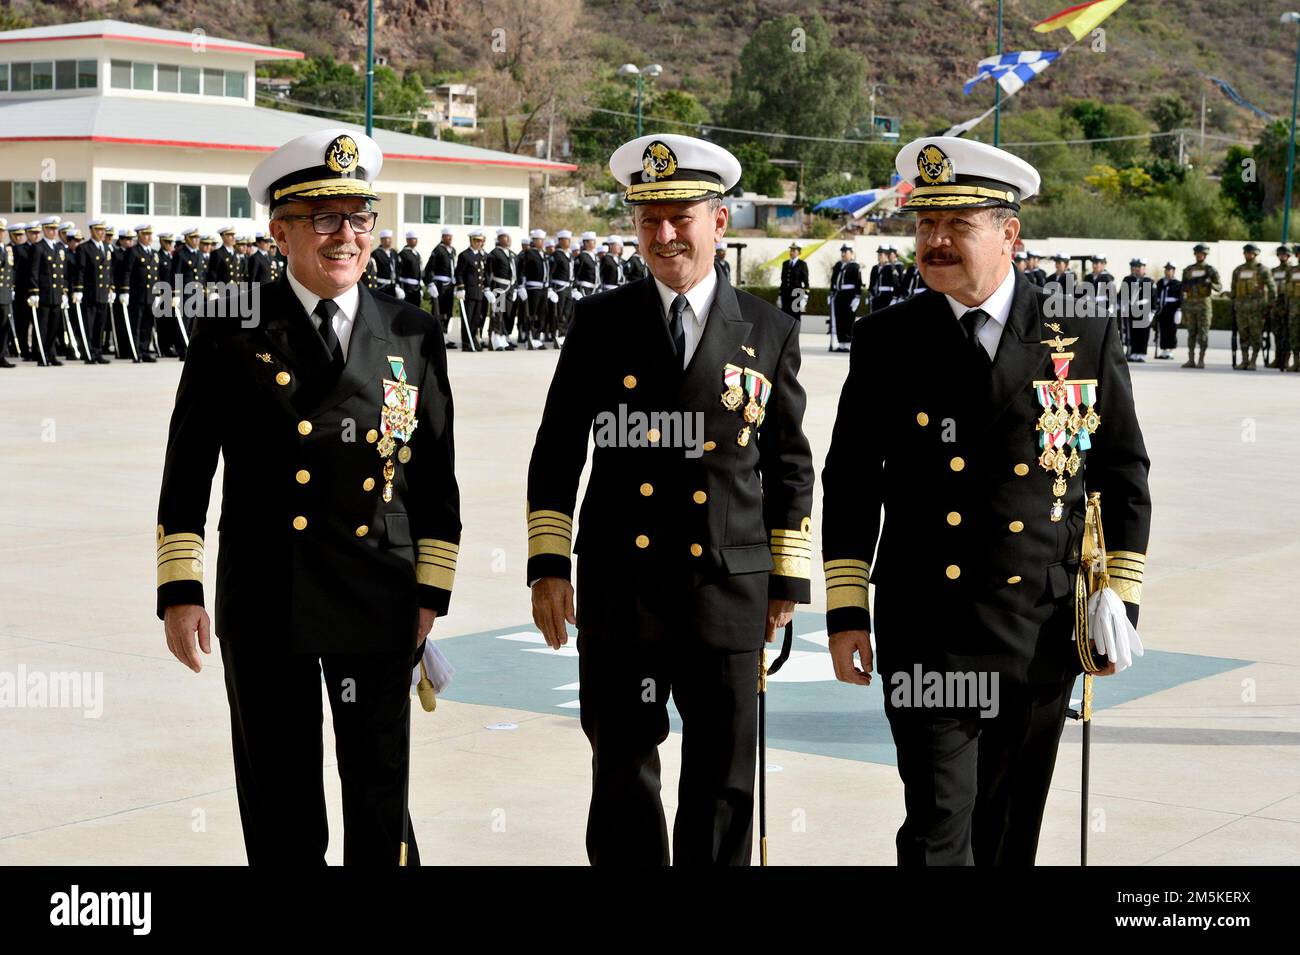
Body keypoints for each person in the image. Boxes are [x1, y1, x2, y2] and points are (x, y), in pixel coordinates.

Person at [821, 136, 1151, 866]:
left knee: (1009, 836)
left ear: (1009, 234)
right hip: (926, 628)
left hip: (1038, 628)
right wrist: (846, 608)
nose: (934, 242)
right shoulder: (887, 340)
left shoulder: (1081, 334)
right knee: (938, 830)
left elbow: (1122, 472)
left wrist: (1118, 600)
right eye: (924, 225)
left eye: (956, 226)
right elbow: (849, 478)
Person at [156, 128, 461, 866]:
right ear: (280, 229)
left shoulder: (411, 332)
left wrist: (431, 592)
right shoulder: (231, 329)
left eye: (360, 218)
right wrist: (181, 589)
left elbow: (435, 476)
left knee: (378, 794)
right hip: (267, 596)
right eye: (324, 219)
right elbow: (188, 468)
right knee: (281, 800)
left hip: (378, 590)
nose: (346, 235)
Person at [527, 133, 814, 865]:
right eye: (647, 218)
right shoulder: (600, 323)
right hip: (625, 587)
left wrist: (786, 577)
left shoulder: (769, 329)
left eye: (679, 216)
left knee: (722, 776)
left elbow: (788, 464)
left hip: (728, 586)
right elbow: (559, 449)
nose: (662, 234)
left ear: (718, 222)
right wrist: (548, 563)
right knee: (621, 768)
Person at [27, 216, 68, 366]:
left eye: (55, 229)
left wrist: (64, 291)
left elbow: (63, 272)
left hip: (56, 294)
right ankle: (40, 355)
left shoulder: (59, 248)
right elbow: (34, 271)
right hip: (43, 295)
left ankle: (51, 354)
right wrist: (34, 291)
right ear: (44, 229)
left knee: (54, 327)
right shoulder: (38, 248)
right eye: (50, 229)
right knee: (42, 326)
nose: (53, 231)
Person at [1228, 244, 1273, 371]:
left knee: (1256, 336)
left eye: (1251, 253)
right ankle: (1245, 360)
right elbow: (1233, 290)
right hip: (1241, 310)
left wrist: (1269, 305)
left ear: (1256, 254)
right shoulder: (1238, 270)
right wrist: (1233, 302)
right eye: (1247, 252)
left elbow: (1272, 288)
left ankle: (1253, 360)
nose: (1249, 255)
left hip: (1257, 310)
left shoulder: (1263, 270)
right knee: (1243, 335)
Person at [1180, 244, 1219, 368]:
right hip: (1190, 305)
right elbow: (1183, 288)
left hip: (1204, 306)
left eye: (1201, 253)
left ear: (1205, 255)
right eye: (1197, 253)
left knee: (1203, 334)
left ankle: (1201, 359)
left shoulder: (1210, 270)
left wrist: (1210, 283)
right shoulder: (1188, 270)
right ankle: (1191, 359)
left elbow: (1219, 287)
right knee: (1191, 333)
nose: (1199, 255)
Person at [454, 227, 490, 351]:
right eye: (476, 241)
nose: (479, 243)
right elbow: (459, 273)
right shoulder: (465, 255)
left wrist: (487, 289)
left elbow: (484, 274)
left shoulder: (482, 255)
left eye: (480, 241)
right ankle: (466, 342)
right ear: (471, 241)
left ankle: (473, 339)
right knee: (467, 318)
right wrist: (460, 287)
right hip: (468, 292)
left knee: (476, 318)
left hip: (479, 292)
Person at [1120, 258, 1154, 362]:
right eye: (1136, 267)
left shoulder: (1149, 281)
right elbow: (1122, 294)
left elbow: (1154, 297)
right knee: (1132, 332)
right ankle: (1133, 352)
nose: (1137, 269)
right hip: (1131, 309)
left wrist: (1152, 311)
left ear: (1144, 268)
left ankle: (1142, 353)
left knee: (1143, 333)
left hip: (1144, 309)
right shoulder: (1129, 279)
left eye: (1140, 267)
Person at [830, 243, 862, 351]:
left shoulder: (855, 266)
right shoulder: (838, 265)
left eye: (846, 252)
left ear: (851, 254)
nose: (843, 254)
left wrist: (857, 297)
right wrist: (831, 292)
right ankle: (841, 342)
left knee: (848, 319)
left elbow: (858, 283)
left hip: (850, 296)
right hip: (839, 295)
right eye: (842, 252)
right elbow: (833, 280)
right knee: (839, 319)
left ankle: (848, 343)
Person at [1269, 246, 1292, 369]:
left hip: (1288, 305)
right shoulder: (1274, 271)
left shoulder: (1292, 270)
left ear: (1288, 256)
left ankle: (1286, 360)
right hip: (1276, 305)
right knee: (1277, 333)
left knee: (1287, 334)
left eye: (1284, 255)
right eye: (1280, 254)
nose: (1282, 256)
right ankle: (1278, 359)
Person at [1153, 262, 1181, 360]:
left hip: (1172, 310)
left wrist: (1179, 310)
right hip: (1162, 310)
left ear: (1173, 271)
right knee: (1162, 330)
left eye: (1169, 270)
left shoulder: (1177, 284)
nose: (1167, 271)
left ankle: (1170, 350)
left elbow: (1180, 298)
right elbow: (1157, 295)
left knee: (1171, 330)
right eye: (1166, 269)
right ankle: (1164, 349)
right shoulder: (1161, 282)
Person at [779, 241, 809, 318]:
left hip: (797, 294)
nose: (791, 252)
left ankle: (795, 330)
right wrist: (780, 294)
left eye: (794, 251)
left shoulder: (802, 264)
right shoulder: (785, 263)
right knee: (785, 315)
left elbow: (806, 282)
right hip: (785, 294)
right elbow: (783, 280)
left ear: (799, 252)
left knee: (795, 316)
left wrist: (805, 297)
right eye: (791, 250)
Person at [0, 220, 14, 368]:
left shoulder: (7, 249)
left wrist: (12, 288)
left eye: (2, 231)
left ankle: (2, 355)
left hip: (4, 294)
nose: (1, 234)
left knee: (4, 327)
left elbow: (10, 271)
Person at [398, 230, 423, 310]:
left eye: (416, 239)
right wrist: (399, 286)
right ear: (407, 240)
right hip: (407, 287)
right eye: (413, 239)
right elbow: (399, 271)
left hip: (416, 287)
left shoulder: (417, 253)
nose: (415, 241)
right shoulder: (403, 254)